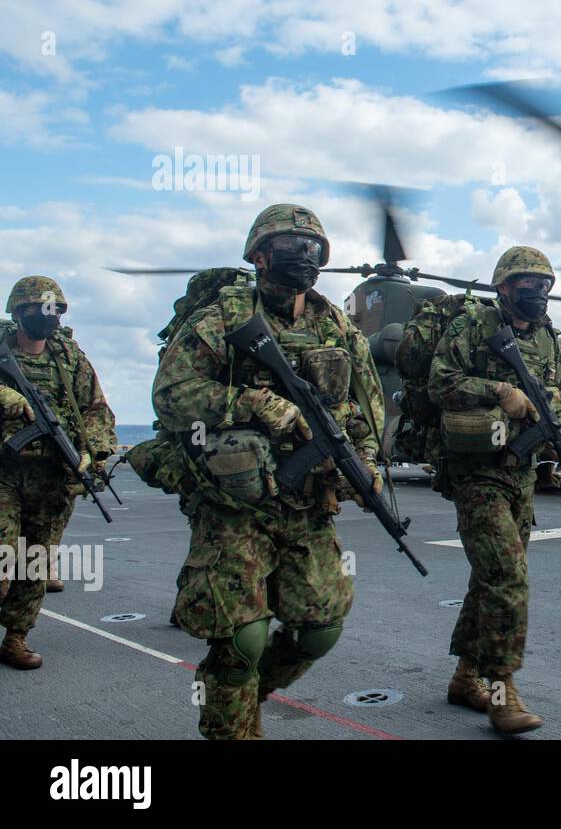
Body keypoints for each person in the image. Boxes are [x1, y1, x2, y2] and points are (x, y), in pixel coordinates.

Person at [152, 204, 385, 739]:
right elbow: (170, 397)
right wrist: (250, 402)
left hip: (308, 503)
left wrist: (364, 464)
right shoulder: (223, 317)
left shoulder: (336, 325)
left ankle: (241, 698)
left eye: (313, 248)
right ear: (259, 254)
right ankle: (231, 724)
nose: (305, 256)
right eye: (290, 246)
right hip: (235, 503)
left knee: (320, 628)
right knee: (241, 639)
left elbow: (369, 408)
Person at [428, 246, 561, 734]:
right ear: (504, 287)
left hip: (523, 475)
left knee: (489, 578)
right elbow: (441, 384)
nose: (538, 292)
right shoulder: (474, 326)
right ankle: (500, 690)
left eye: (545, 284)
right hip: (477, 474)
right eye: (527, 284)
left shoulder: (550, 341)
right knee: (507, 578)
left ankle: (465, 677)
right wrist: (498, 391)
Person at [0, 276, 117, 669]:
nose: (47, 318)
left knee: (34, 563)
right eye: (38, 310)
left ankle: (16, 637)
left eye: (54, 311)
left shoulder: (69, 358)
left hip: (51, 476)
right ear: (18, 313)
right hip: (4, 473)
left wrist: (90, 452)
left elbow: (97, 410)